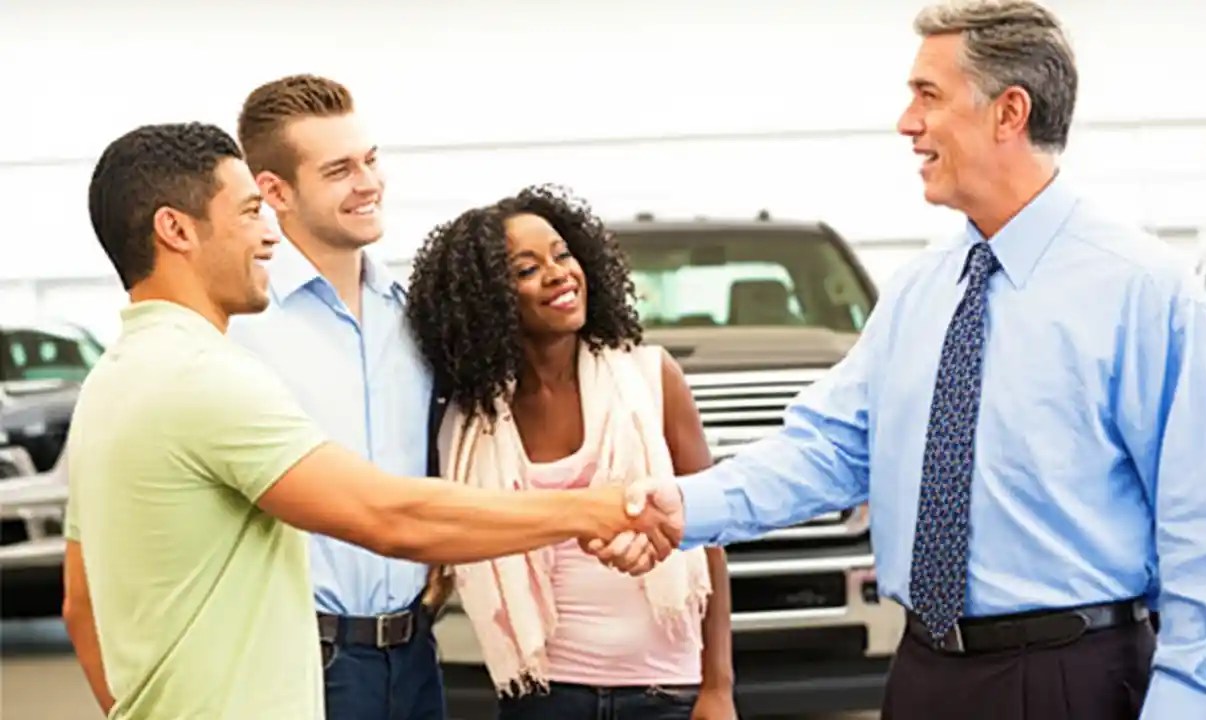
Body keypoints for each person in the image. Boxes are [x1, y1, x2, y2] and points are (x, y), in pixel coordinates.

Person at [599, 2, 1206, 719]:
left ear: (1008, 112)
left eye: (928, 95)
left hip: (1073, 682)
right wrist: (685, 506)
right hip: (924, 675)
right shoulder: (923, 290)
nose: (906, 122)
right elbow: (829, 449)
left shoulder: (1144, 293)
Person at [60, 122, 676, 720]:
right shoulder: (206, 377)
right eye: (249, 212)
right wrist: (593, 508)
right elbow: (388, 516)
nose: (269, 237)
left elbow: (80, 603)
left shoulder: (111, 382)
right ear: (176, 230)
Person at [404, 184, 737, 720]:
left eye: (562, 254)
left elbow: (709, 534)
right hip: (543, 694)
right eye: (526, 269)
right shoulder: (471, 418)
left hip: (664, 692)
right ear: (489, 298)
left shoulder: (652, 379)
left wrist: (717, 687)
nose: (559, 273)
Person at [226, 73, 446, 720]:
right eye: (340, 170)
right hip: (298, 663)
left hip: (416, 657)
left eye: (371, 160)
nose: (369, 183)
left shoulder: (414, 316)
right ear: (275, 191)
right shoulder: (241, 329)